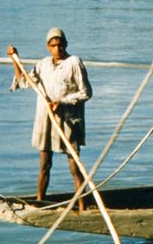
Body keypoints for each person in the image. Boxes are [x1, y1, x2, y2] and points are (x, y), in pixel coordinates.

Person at [7, 29, 92, 208]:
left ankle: (83, 207)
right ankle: (40, 203)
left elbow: (86, 92)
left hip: (68, 121)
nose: (57, 49)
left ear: (65, 44)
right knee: (44, 165)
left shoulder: (74, 62)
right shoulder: (43, 64)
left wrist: (62, 102)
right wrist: (15, 59)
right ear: (48, 47)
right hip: (46, 120)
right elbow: (23, 82)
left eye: (60, 45)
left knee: (74, 168)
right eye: (53, 46)